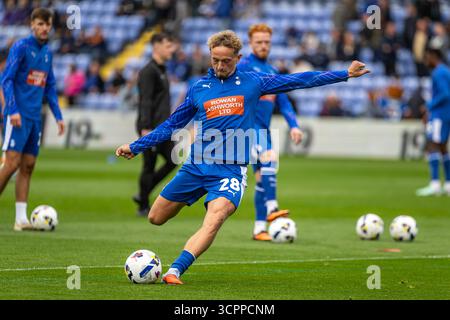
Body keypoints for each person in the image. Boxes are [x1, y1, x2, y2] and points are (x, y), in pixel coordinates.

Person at [116, 30, 369, 285]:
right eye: (215, 59)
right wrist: (136, 146)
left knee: (215, 218)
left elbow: (298, 79)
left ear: (238, 58)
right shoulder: (199, 88)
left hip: (230, 171)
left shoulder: (254, 82)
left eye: (226, 60)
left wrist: (344, 74)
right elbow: (171, 124)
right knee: (156, 217)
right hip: (195, 166)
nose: (219, 65)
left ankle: (175, 270)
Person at [0, 8, 65, 231]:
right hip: (17, 115)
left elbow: (50, 85)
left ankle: (21, 219)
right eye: (40, 24)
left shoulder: (47, 52)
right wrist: (12, 109)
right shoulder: (21, 47)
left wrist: (58, 115)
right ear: (32, 24)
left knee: (28, 166)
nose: (44, 28)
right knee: (10, 165)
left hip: (35, 118)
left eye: (47, 24)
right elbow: (6, 79)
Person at [237, 23, 303, 241]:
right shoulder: (243, 66)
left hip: (263, 130)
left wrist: (293, 125)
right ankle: (273, 208)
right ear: (250, 43)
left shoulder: (273, 71)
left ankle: (259, 229)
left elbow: (283, 103)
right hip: (247, 128)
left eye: (267, 42)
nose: (263, 46)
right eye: (259, 42)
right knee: (269, 159)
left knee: (261, 178)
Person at [133, 32, 177, 216]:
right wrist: (145, 127)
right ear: (156, 46)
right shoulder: (148, 71)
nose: (171, 50)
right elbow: (146, 101)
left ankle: (144, 193)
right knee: (149, 166)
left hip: (163, 127)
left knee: (173, 159)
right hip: (151, 127)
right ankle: (143, 205)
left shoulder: (161, 70)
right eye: (168, 46)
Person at [416, 48, 450, 196]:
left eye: (427, 57)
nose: (426, 61)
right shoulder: (445, 71)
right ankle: (448, 184)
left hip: (440, 115)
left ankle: (435, 183)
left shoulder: (438, 72)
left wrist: (428, 106)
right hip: (446, 113)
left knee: (432, 145)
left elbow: (445, 94)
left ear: (433, 57)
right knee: (443, 148)